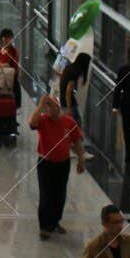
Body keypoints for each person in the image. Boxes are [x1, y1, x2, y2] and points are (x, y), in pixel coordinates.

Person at [28, 94, 85, 239]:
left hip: (63, 163)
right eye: (46, 108)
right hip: (46, 163)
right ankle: (44, 227)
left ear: (58, 107)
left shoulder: (69, 122)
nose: (48, 110)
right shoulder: (42, 120)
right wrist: (40, 105)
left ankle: (55, 221)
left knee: (59, 195)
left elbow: (77, 141)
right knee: (46, 194)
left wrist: (81, 159)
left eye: (51, 106)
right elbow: (31, 124)